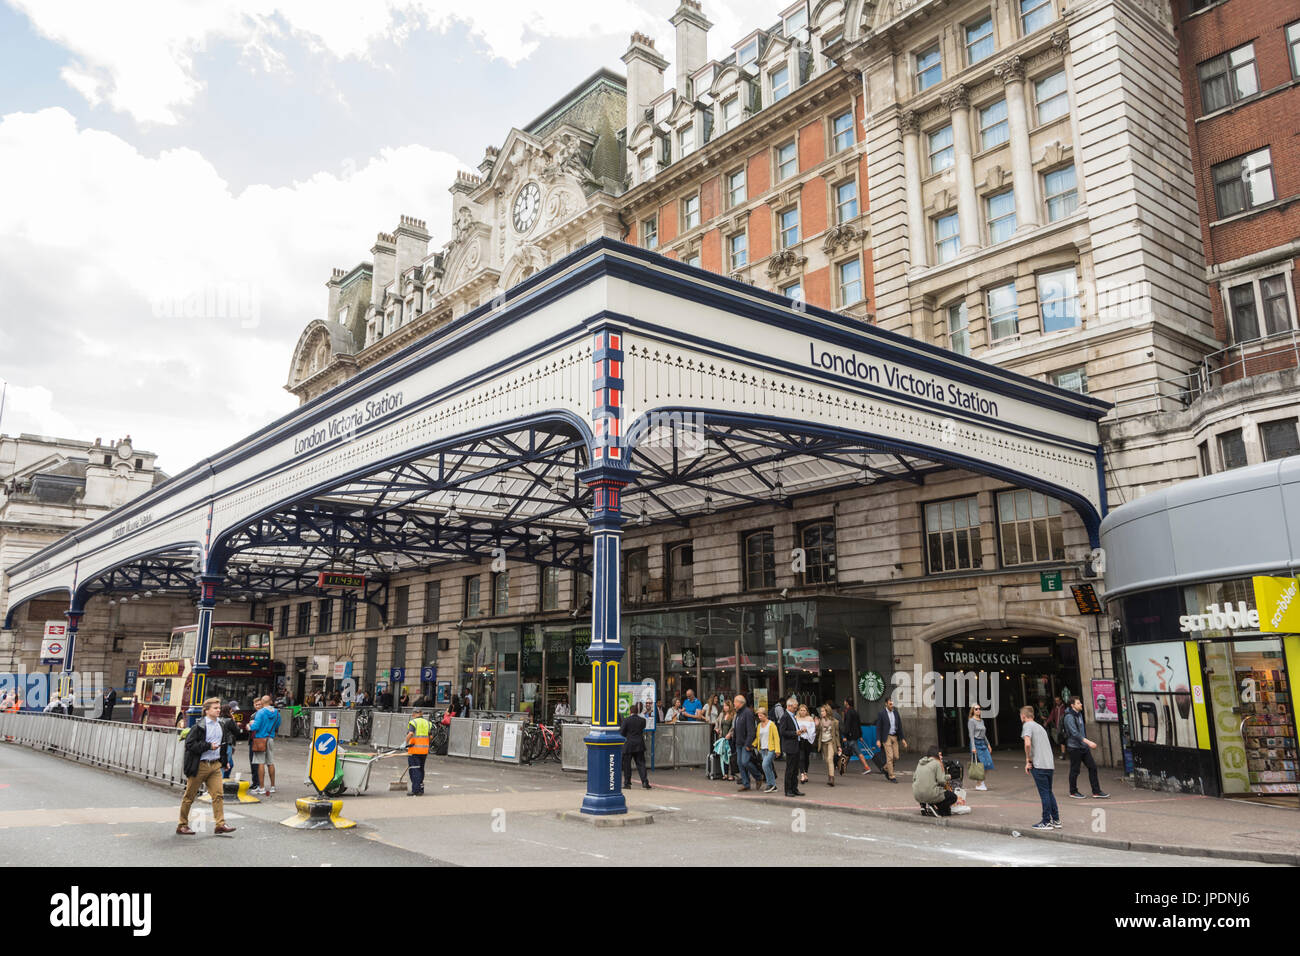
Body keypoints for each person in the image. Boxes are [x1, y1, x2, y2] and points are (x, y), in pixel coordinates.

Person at [177, 698, 236, 835]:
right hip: (200, 765)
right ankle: (182, 825)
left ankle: (220, 824)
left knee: (218, 795)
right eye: (215, 708)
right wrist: (208, 746)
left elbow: (223, 744)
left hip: (215, 765)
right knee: (189, 797)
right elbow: (190, 745)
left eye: (219, 707)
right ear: (207, 710)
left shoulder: (221, 725)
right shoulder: (199, 726)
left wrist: (224, 760)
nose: (218, 710)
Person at [1021, 704, 1060, 830]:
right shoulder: (1040, 727)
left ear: (1023, 716)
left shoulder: (1027, 725)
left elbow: (1027, 743)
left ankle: (1046, 821)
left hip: (1039, 764)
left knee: (1044, 793)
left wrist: (1028, 759)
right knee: (1049, 792)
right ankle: (1056, 819)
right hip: (1049, 764)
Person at [1064, 696, 1110, 799]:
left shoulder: (1079, 714)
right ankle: (1073, 791)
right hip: (1074, 747)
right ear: (1072, 705)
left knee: (1092, 767)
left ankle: (1096, 791)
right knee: (1075, 770)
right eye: (1078, 703)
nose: (1081, 704)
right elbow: (1074, 733)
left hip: (1083, 747)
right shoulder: (1069, 717)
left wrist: (1085, 743)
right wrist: (1088, 742)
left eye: (1080, 703)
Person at [248, 695, 281, 795]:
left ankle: (261, 787)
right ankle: (272, 786)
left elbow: (255, 726)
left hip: (260, 739)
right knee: (270, 762)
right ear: (270, 701)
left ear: (262, 702)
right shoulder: (276, 712)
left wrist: (249, 725)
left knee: (260, 763)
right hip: (270, 738)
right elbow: (278, 725)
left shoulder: (260, 712)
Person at [913, 745, 957, 817]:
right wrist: (949, 777)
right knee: (952, 797)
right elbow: (941, 781)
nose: (941, 757)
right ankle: (940, 810)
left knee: (926, 787)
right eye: (940, 755)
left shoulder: (920, 762)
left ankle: (925, 806)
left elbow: (914, 778)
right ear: (935, 754)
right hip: (929, 794)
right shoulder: (937, 763)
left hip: (917, 795)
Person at [874, 697, 907, 783]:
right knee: (890, 757)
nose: (892, 705)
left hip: (894, 736)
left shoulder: (896, 713)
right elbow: (878, 728)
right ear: (886, 704)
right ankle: (891, 776)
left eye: (893, 704)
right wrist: (878, 739)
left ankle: (885, 768)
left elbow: (899, 726)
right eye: (890, 704)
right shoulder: (882, 713)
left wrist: (902, 739)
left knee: (896, 756)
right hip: (886, 737)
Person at [731, 695, 760, 791]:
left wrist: (748, 744)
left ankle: (758, 776)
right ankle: (746, 783)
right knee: (740, 763)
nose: (734, 704)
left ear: (740, 703)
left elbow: (751, 731)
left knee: (745, 762)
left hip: (745, 743)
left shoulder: (748, 713)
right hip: (738, 742)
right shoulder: (738, 713)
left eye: (735, 702)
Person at [620, 701, 651, 789]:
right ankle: (645, 782)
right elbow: (642, 728)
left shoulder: (626, 720)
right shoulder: (642, 720)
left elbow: (621, 732)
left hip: (628, 745)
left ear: (630, 711)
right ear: (637, 711)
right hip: (639, 745)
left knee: (627, 765)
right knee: (641, 764)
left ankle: (627, 783)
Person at [777, 696, 803, 796]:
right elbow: (783, 732)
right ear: (789, 706)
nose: (796, 709)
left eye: (796, 707)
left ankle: (794, 788)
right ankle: (788, 790)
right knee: (790, 769)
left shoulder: (792, 716)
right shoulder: (785, 717)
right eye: (795, 707)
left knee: (795, 769)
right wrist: (795, 733)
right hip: (790, 746)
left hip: (795, 744)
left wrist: (799, 731)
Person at [405, 708, 432, 796]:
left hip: (414, 750)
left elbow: (411, 734)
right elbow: (430, 736)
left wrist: (405, 743)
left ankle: (416, 790)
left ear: (414, 714)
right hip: (424, 750)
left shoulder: (413, 722)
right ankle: (420, 788)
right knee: (420, 769)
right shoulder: (427, 723)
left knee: (414, 769)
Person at [754, 706, 781, 793]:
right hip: (762, 749)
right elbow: (758, 738)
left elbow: (776, 738)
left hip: (771, 749)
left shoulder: (771, 724)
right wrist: (753, 744)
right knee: (768, 766)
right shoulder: (759, 725)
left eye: (761, 715)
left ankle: (771, 784)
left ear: (765, 715)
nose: (759, 717)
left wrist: (777, 750)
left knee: (764, 765)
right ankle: (773, 786)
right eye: (758, 715)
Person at [840, 698, 870, 775]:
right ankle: (843, 767)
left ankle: (867, 767)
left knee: (854, 752)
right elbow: (858, 724)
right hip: (855, 735)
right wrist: (860, 735)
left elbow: (847, 724)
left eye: (845, 701)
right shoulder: (855, 712)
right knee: (848, 751)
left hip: (850, 736)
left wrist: (845, 735)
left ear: (847, 703)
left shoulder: (848, 712)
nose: (844, 702)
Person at [968, 705, 994, 791]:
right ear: (973, 711)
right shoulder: (971, 721)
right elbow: (971, 735)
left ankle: (980, 782)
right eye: (976, 709)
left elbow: (984, 735)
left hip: (983, 743)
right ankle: (980, 783)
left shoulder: (981, 721)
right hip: (976, 743)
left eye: (979, 709)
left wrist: (988, 744)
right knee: (982, 764)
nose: (978, 710)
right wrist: (973, 747)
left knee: (988, 763)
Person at [816, 704, 842, 787]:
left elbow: (837, 735)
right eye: (821, 711)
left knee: (830, 758)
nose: (822, 713)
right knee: (827, 760)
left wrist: (839, 746)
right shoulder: (820, 721)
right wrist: (816, 726)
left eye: (823, 711)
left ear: (827, 711)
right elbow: (817, 733)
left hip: (831, 742)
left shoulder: (835, 722)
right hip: (823, 742)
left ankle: (832, 778)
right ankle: (829, 775)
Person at [795, 704, 816, 784]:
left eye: (804, 710)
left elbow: (813, 730)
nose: (802, 712)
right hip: (799, 739)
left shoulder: (810, 718)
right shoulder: (796, 718)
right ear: (798, 711)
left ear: (807, 711)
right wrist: (800, 731)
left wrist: (806, 729)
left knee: (806, 757)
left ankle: (805, 772)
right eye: (801, 710)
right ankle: (802, 774)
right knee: (801, 757)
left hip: (807, 740)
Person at [717, 699, 737, 779]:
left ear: (730, 706)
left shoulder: (734, 715)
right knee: (724, 755)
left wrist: (730, 734)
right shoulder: (722, 714)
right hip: (722, 737)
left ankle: (732, 774)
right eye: (724, 706)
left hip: (730, 738)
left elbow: (734, 727)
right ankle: (725, 773)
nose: (724, 707)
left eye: (726, 706)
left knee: (731, 756)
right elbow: (717, 722)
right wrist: (717, 728)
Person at [218, 702, 239, 779]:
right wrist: (234, 721)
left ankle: (224, 779)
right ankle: (223, 781)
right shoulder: (229, 720)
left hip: (220, 743)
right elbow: (237, 731)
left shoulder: (218, 719)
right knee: (225, 763)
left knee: (228, 763)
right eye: (231, 711)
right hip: (227, 744)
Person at [1047, 693, 1069, 759]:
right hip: (1058, 726)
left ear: (1061, 700)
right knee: (1062, 739)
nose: (1057, 702)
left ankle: (1067, 753)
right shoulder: (1055, 708)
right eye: (1055, 701)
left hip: (1065, 725)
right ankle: (1063, 754)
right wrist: (1047, 722)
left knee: (1066, 739)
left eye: (1058, 700)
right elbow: (1051, 716)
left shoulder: (1064, 707)